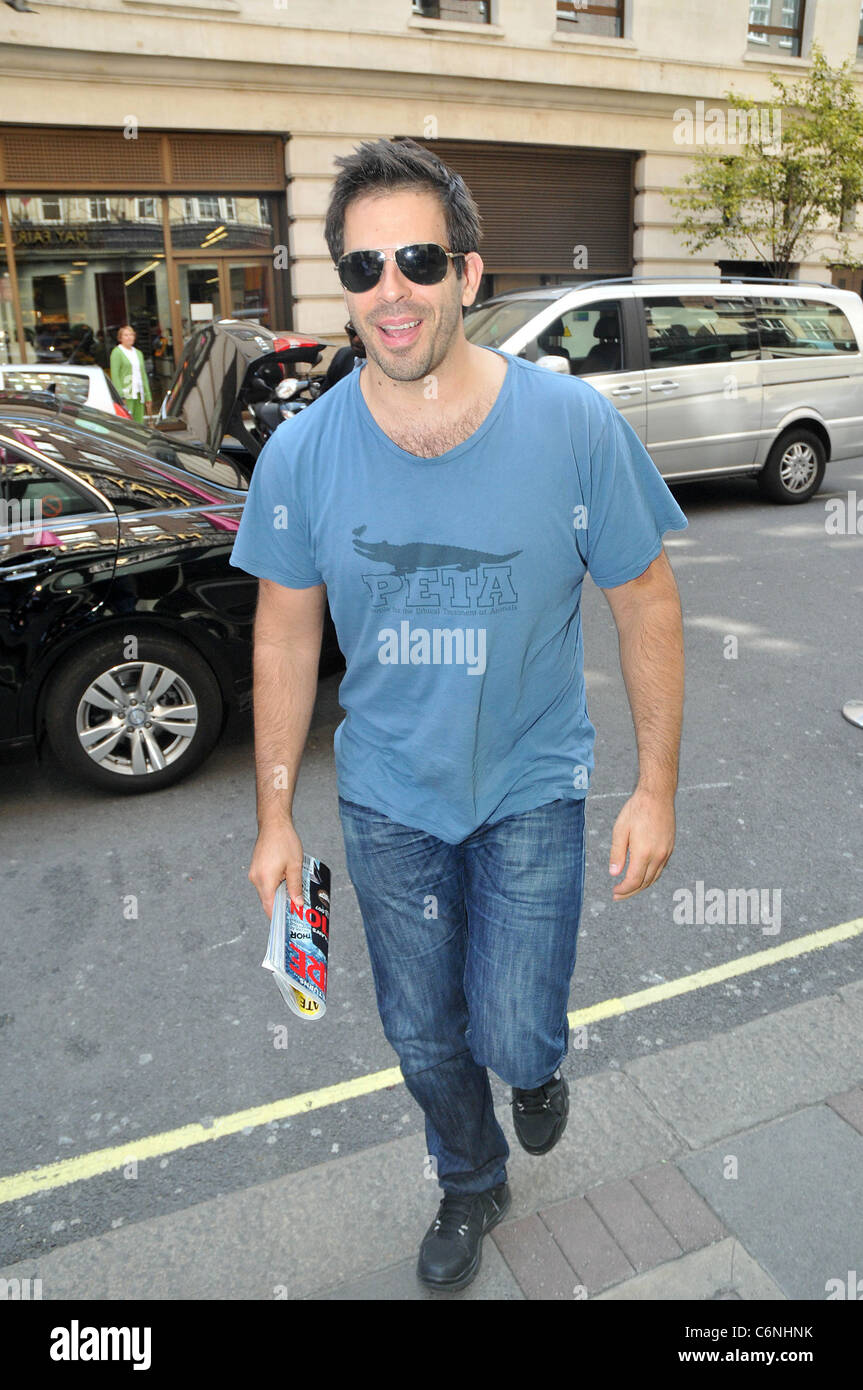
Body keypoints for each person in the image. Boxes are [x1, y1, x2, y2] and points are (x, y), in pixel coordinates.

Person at [230, 137, 688, 1294]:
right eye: (365, 263)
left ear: (467, 275)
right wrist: (276, 820)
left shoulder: (573, 427)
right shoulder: (300, 454)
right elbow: (283, 635)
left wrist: (654, 787)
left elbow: (644, 603)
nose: (393, 287)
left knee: (512, 1027)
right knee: (424, 1038)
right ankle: (468, 1174)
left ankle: (535, 1069)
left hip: (533, 785)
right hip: (389, 799)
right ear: (344, 286)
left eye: (419, 258)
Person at [109, 324, 152, 422]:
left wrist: (147, 395)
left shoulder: (138, 353)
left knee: (139, 421)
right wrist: (120, 395)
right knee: (127, 421)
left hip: (139, 392)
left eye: (131, 335)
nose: (129, 337)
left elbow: (143, 375)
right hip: (126, 393)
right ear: (120, 338)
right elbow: (115, 375)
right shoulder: (117, 352)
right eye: (126, 335)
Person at [318, 321, 366, 393]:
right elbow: (326, 397)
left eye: (363, 335)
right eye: (352, 332)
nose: (356, 340)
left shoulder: (386, 367)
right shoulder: (343, 356)